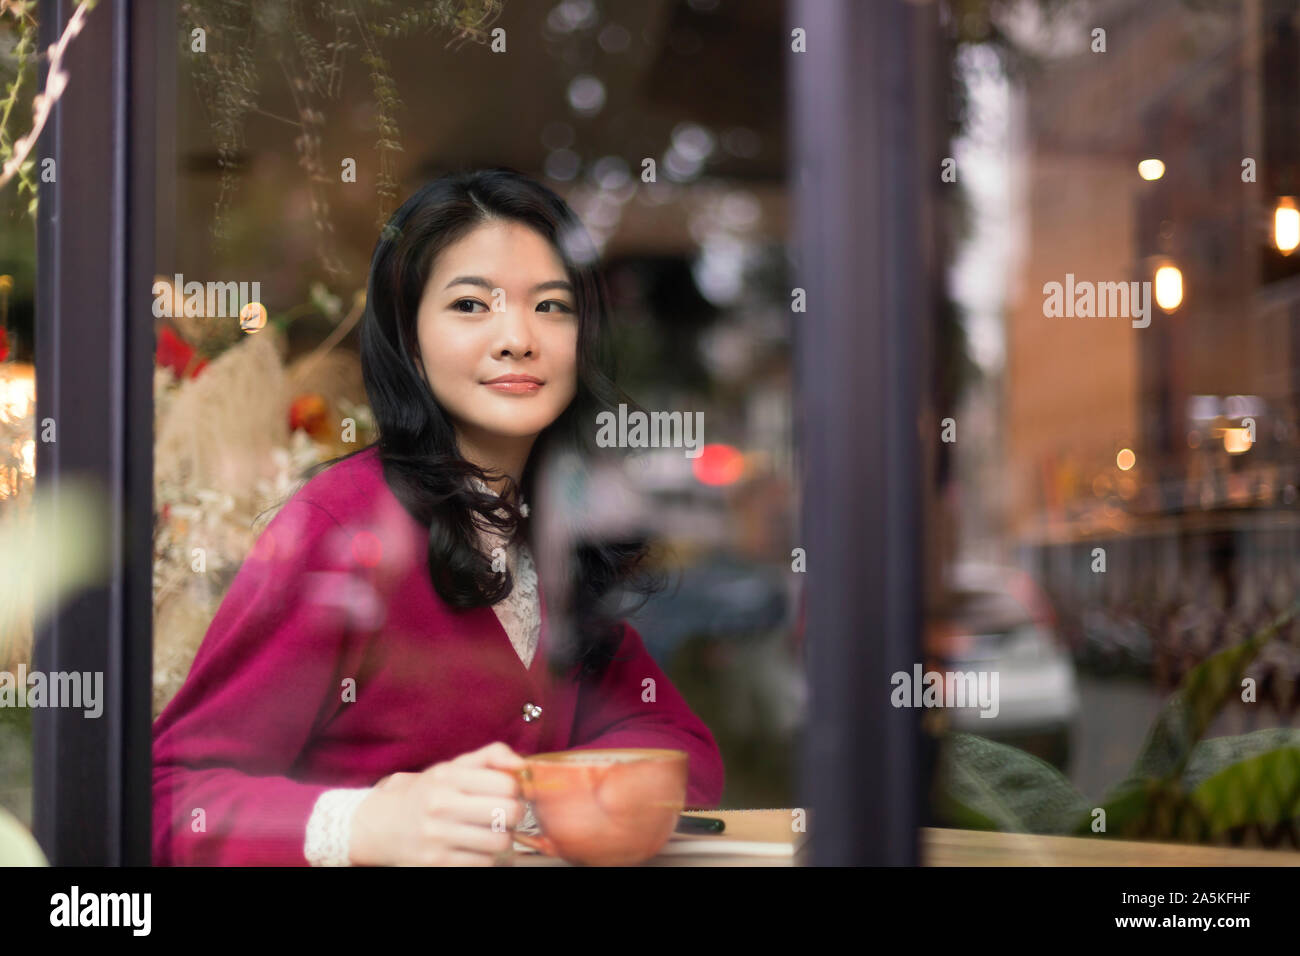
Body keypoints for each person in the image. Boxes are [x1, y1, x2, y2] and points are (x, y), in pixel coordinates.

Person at [152, 168, 725, 866]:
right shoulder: (337, 528)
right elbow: (170, 800)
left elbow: (679, 747)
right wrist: (365, 825)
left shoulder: (551, 533)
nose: (519, 337)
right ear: (410, 342)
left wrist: (561, 791)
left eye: (550, 307)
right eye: (470, 305)